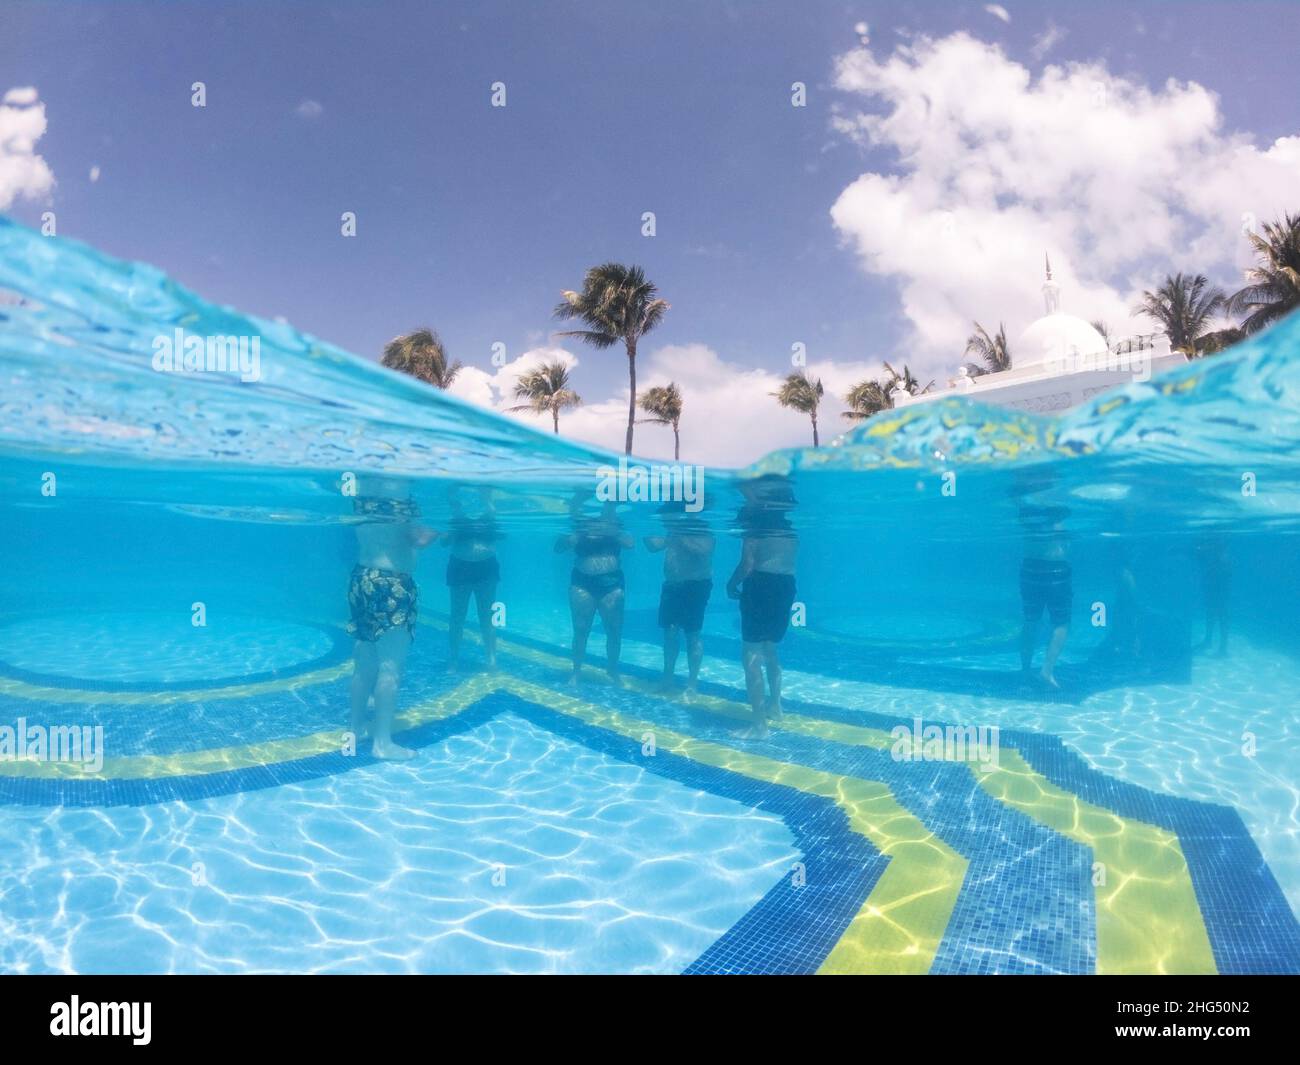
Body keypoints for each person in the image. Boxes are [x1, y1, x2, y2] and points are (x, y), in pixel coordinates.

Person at [347, 479, 436, 759]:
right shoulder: (402, 495)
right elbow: (417, 539)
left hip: (362, 578)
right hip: (392, 584)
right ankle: (382, 743)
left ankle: (356, 727)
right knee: (390, 667)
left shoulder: (363, 492)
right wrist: (439, 530)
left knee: (364, 663)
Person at [727, 478, 798, 738]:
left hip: (761, 586)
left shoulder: (755, 528)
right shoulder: (789, 531)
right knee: (770, 648)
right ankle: (776, 707)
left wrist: (730, 584)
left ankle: (759, 725)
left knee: (751, 656)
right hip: (786, 586)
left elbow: (747, 565)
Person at [555, 497, 633, 684]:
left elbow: (630, 543)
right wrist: (576, 536)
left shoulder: (614, 525)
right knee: (581, 629)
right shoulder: (580, 525)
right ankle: (576, 672)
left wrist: (612, 532)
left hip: (612, 583)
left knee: (614, 630)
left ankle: (613, 670)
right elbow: (558, 548)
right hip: (582, 582)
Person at [644, 502, 715, 697]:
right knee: (670, 633)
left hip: (695, 587)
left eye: (667, 519)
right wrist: (654, 539)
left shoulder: (699, 527)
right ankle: (667, 679)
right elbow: (653, 547)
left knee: (692, 634)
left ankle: (692, 684)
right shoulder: (673, 532)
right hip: (671, 586)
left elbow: (703, 551)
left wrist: (677, 534)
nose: (664, 522)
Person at [438, 486, 501, 673]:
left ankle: (491, 658)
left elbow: (497, 535)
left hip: (486, 569)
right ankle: (454, 659)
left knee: (486, 617)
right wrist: (452, 533)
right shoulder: (457, 517)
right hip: (460, 568)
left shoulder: (490, 514)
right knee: (457, 616)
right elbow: (443, 542)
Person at [1018, 503, 1072, 688]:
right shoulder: (1060, 520)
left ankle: (1025, 671)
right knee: (1061, 622)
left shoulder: (1026, 516)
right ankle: (1046, 672)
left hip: (1030, 569)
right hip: (1056, 570)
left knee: (1030, 621)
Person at [1194, 534, 1230, 656]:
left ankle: (1223, 649)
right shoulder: (1214, 554)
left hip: (1220, 591)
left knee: (1222, 617)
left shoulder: (1222, 555)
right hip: (1212, 589)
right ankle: (1208, 641)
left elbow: (1223, 574)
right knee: (1210, 614)